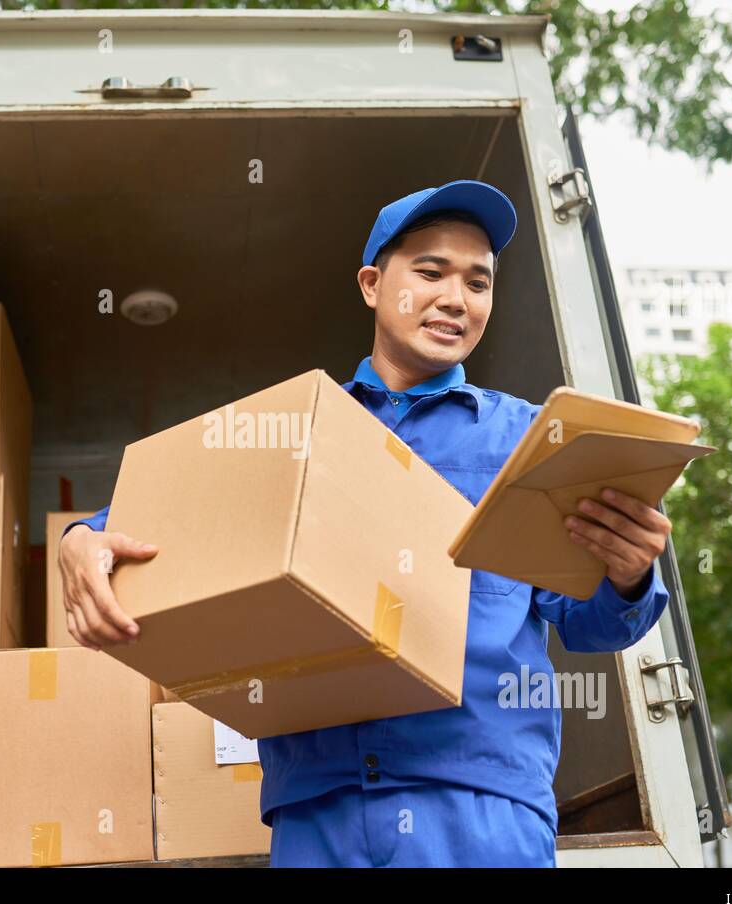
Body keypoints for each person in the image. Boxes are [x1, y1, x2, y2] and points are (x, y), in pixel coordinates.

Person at [58, 180, 673, 867]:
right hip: (320, 808)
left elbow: (590, 623)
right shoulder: (296, 427)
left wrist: (629, 574)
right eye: (431, 272)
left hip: (477, 804)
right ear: (373, 284)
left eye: (479, 281)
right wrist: (80, 539)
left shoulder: (527, 440)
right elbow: (176, 517)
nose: (455, 298)